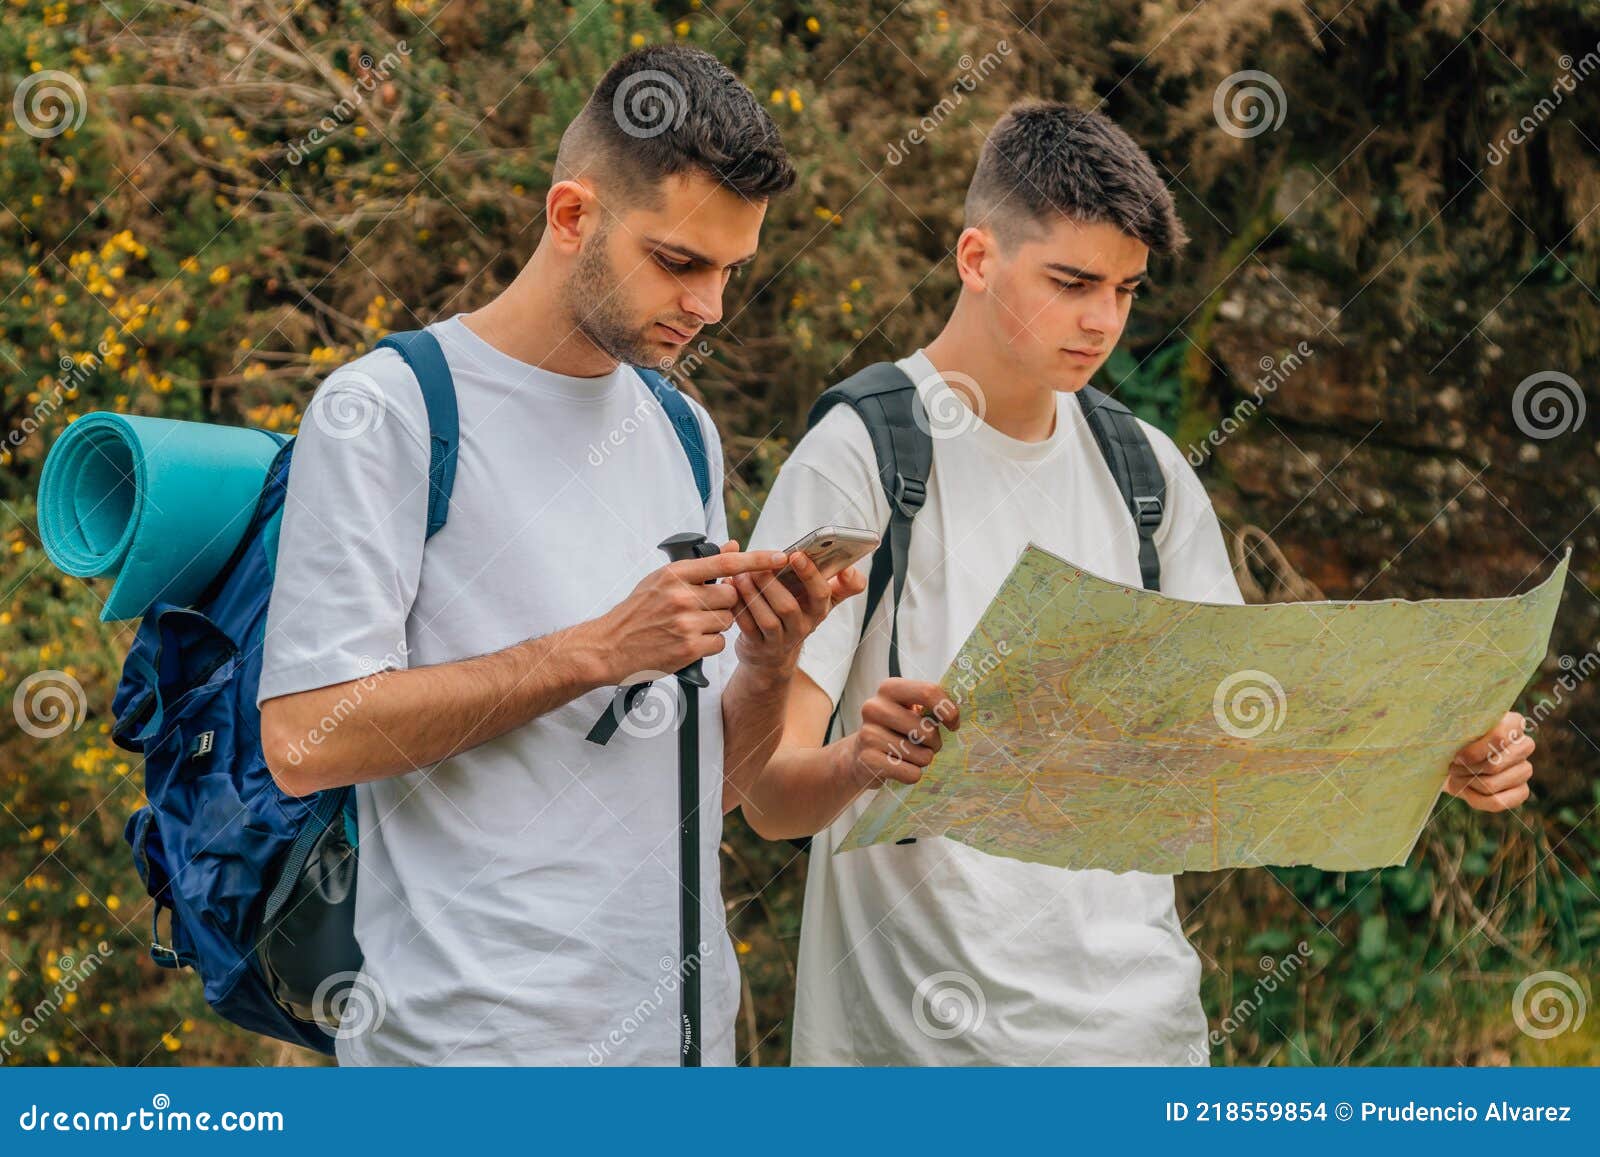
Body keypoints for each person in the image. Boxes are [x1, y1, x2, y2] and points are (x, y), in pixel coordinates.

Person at [741, 101, 1536, 1065]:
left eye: (1125, 289)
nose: (1103, 321)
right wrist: (859, 764)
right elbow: (766, 798)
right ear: (977, 257)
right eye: (1071, 282)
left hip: (1145, 1044)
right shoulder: (862, 453)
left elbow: (1238, 743)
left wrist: (1434, 748)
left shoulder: (1146, 471)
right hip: (924, 1060)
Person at [257, 45, 863, 1066]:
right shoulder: (390, 411)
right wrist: (596, 650)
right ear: (573, 215)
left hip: (687, 1050)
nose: (710, 305)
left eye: (730, 271)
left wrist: (767, 665)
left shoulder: (681, 429)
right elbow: (305, 738)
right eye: (680, 262)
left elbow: (705, 791)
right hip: (470, 1057)